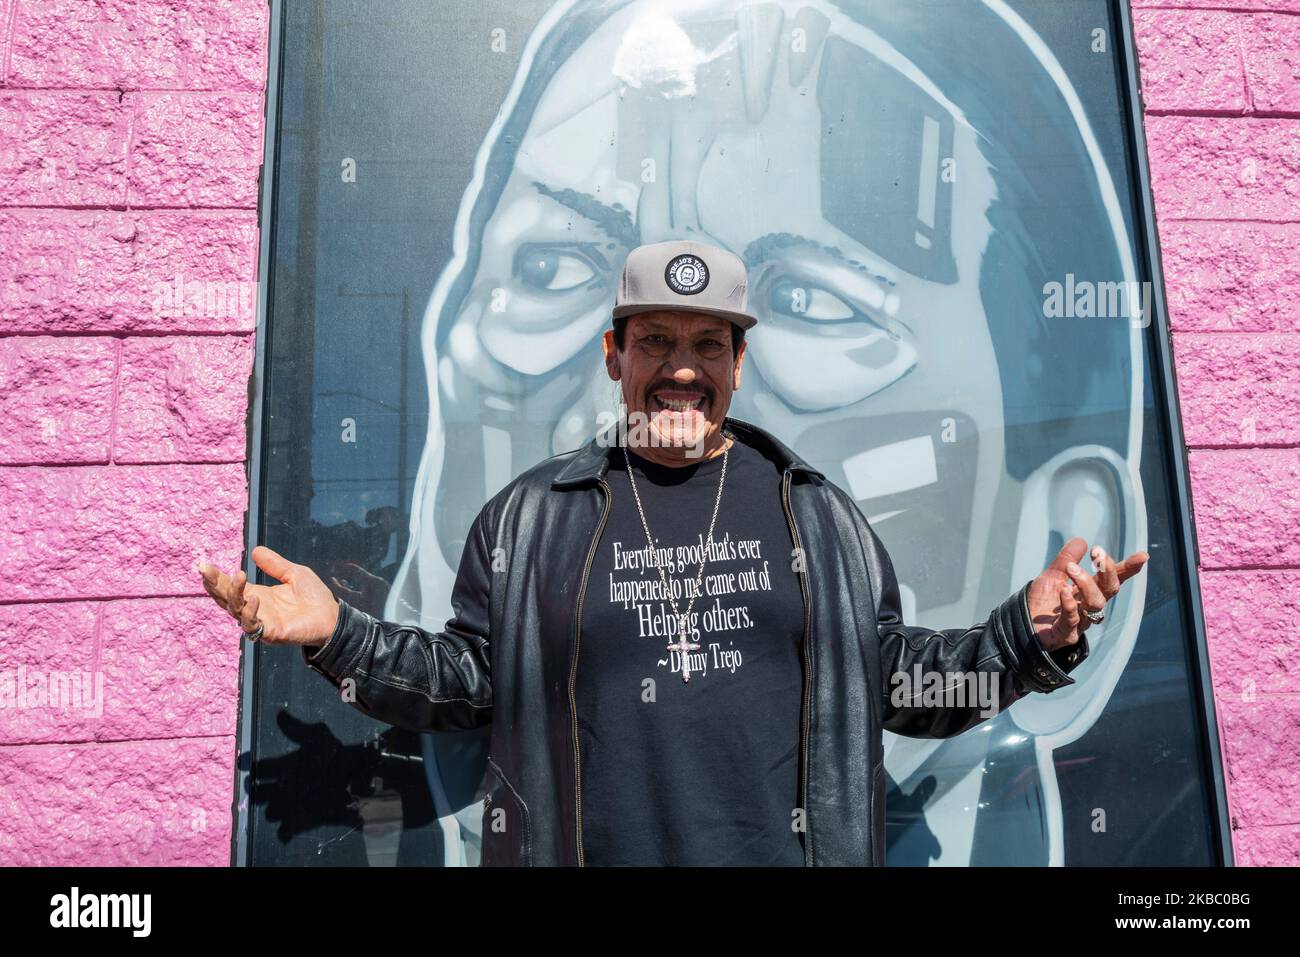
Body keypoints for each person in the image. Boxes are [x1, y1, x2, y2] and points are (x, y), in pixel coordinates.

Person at [200, 239, 1148, 866]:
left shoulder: (818, 515)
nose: (682, 365)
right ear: (614, 353)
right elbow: (470, 683)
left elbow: (896, 683)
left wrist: (1029, 637)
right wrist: (340, 636)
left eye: (708, 342)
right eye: (655, 338)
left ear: (740, 363)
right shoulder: (530, 520)